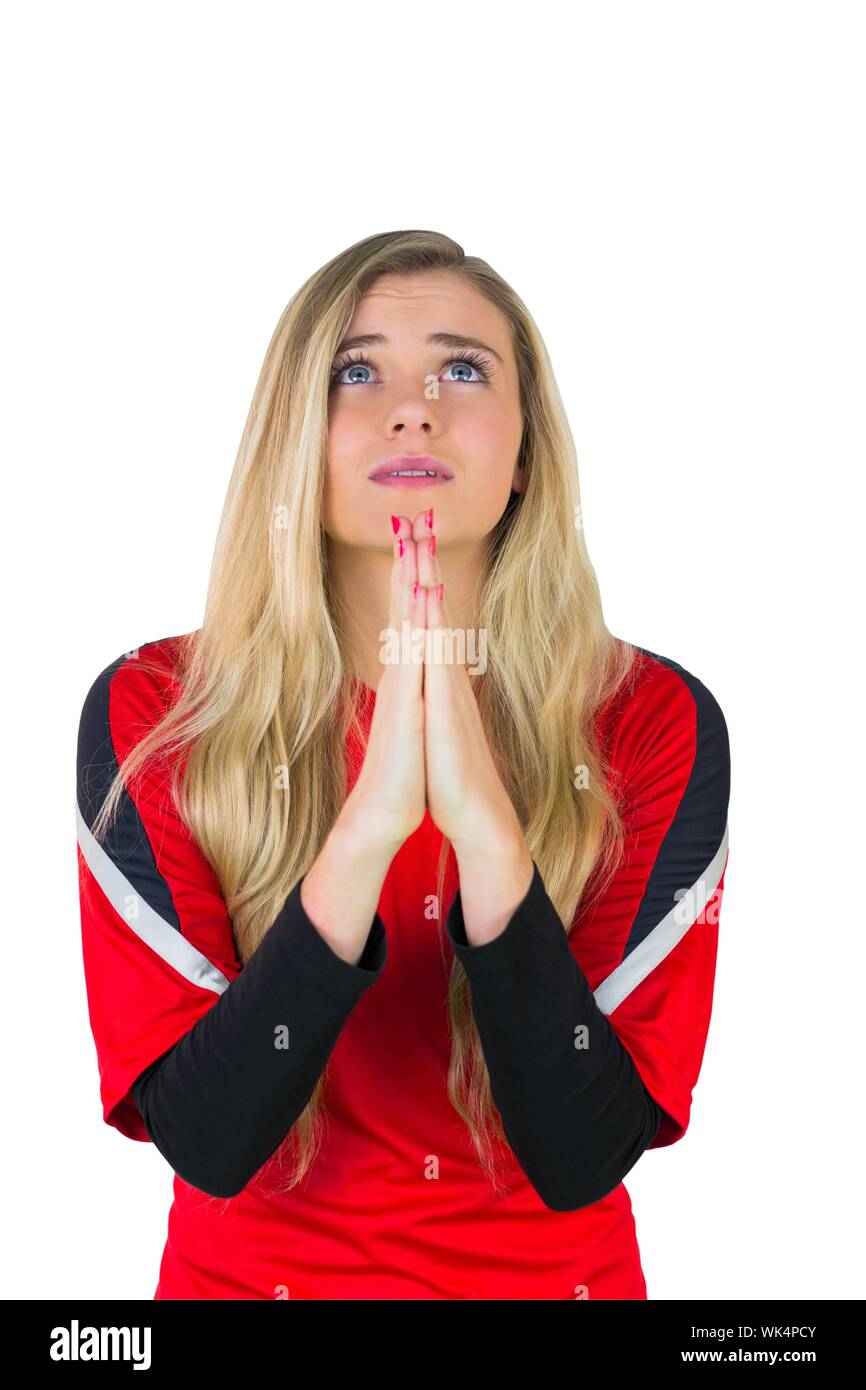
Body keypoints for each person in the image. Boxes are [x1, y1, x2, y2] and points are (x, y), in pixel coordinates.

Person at [75, 229, 731, 1300]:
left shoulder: (652, 721)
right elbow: (206, 1138)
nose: (412, 405)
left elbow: (581, 1151)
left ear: (523, 455)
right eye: (356, 369)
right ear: (295, 442)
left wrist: (486, 839)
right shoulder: (155, 715)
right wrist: (363, 835)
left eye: (460, 368)